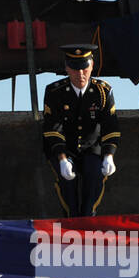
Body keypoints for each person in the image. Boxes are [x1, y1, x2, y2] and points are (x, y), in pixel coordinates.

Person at [41, 44, 120, 217]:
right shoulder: (55, 91)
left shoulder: (103, 91)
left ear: (92, 65)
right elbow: (53, 128)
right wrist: (62, 159)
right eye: (75, 69)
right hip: (64, 148)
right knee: (67, 183)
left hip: (92, 147)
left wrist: (109, 155)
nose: (81, 74)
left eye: (85, 68)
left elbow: (110, 125)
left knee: (94, 176)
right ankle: (71, 219)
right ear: (67, 68)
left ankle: (88, 218)